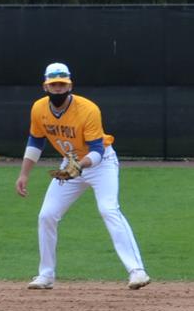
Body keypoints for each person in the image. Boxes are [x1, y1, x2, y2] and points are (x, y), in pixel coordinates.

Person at [15, 61, 150, 290]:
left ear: (70, 85)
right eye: (54, 84)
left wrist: (80, 165)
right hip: (70, 165)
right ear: (45, 86)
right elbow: (36, 141)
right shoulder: (38, 108)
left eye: (62, 84)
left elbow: (97, 150)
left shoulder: (88, 109)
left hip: (101, 164)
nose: (58, 88)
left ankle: (137, 271)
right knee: (46, 215)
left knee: (108, 209)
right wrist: (24, 174)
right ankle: (46, 275)